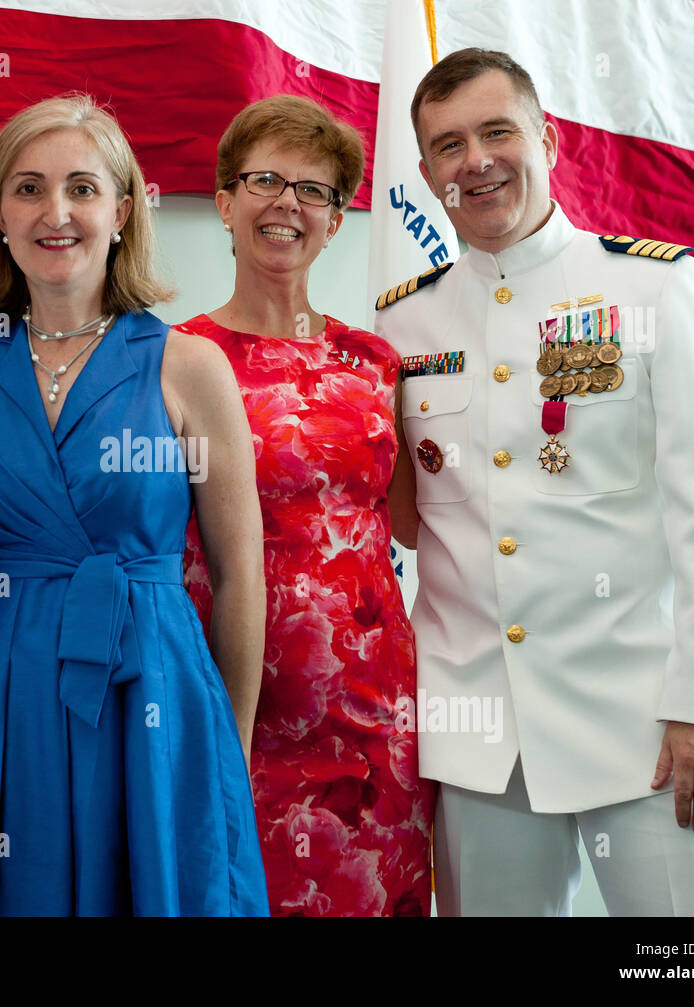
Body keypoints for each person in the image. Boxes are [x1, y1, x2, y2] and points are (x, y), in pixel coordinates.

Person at [377, 47, 694, 916]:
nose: (476, 160)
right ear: (428, 174)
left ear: (547, 139)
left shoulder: (655, 287)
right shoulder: (404, 321)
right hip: (480, 736)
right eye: (447, 145)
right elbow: (412, 517)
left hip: (648, 727)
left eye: (497, 131)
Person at [0, 94, 269, 916]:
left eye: (82, 188)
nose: (56, 213)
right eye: (29, 188)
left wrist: (224, 744)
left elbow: (239, 575)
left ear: (122, 212)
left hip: (151, 686)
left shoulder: (189, 367)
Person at [180, 95, 433, 916]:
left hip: (373, 716)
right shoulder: (173, 358)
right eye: (265, 180)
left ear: (333, 221)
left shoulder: (376, 362)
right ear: (225, 203)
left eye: (313, 190)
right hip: (233, 707)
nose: (287, 203)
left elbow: (408, 523)